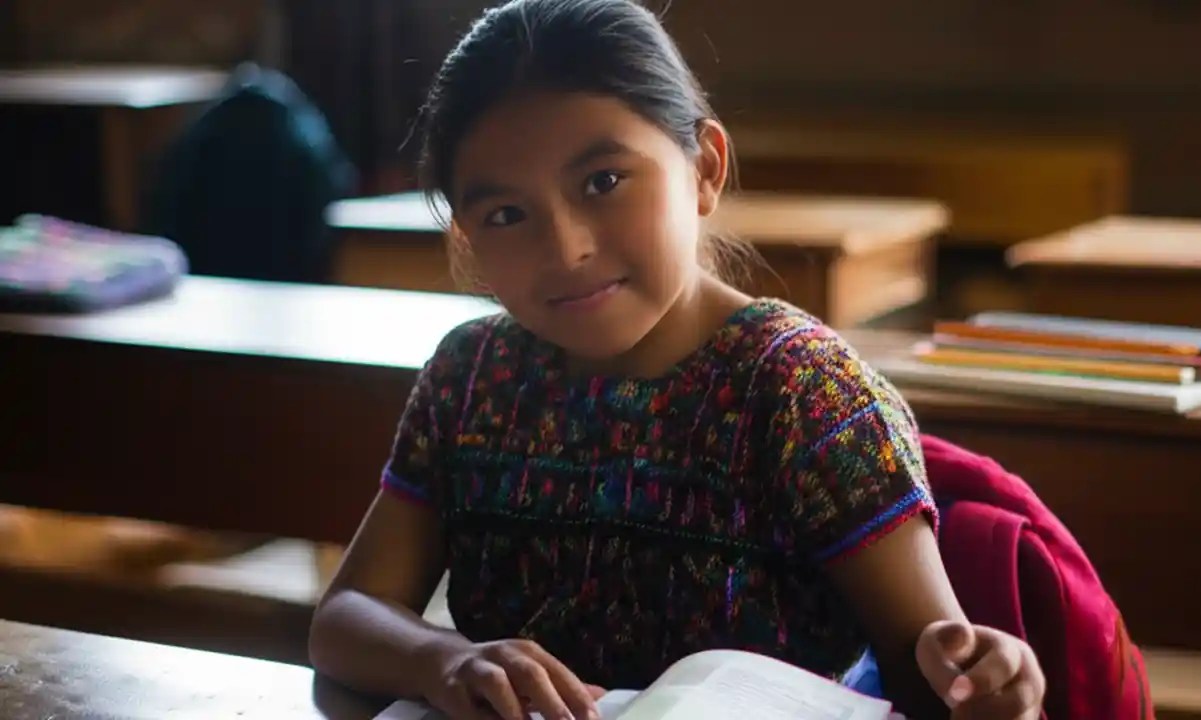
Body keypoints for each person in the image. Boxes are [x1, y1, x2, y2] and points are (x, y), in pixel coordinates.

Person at [309, 1, 1045, 718]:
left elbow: (940, 675)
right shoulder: (473, 378)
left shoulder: (800, 391)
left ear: (705, 169)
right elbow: (345, 616)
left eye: (603, 182)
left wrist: (987, 684)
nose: (566, 250)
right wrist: (443, 660)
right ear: (467, 237)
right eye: (507, 215)